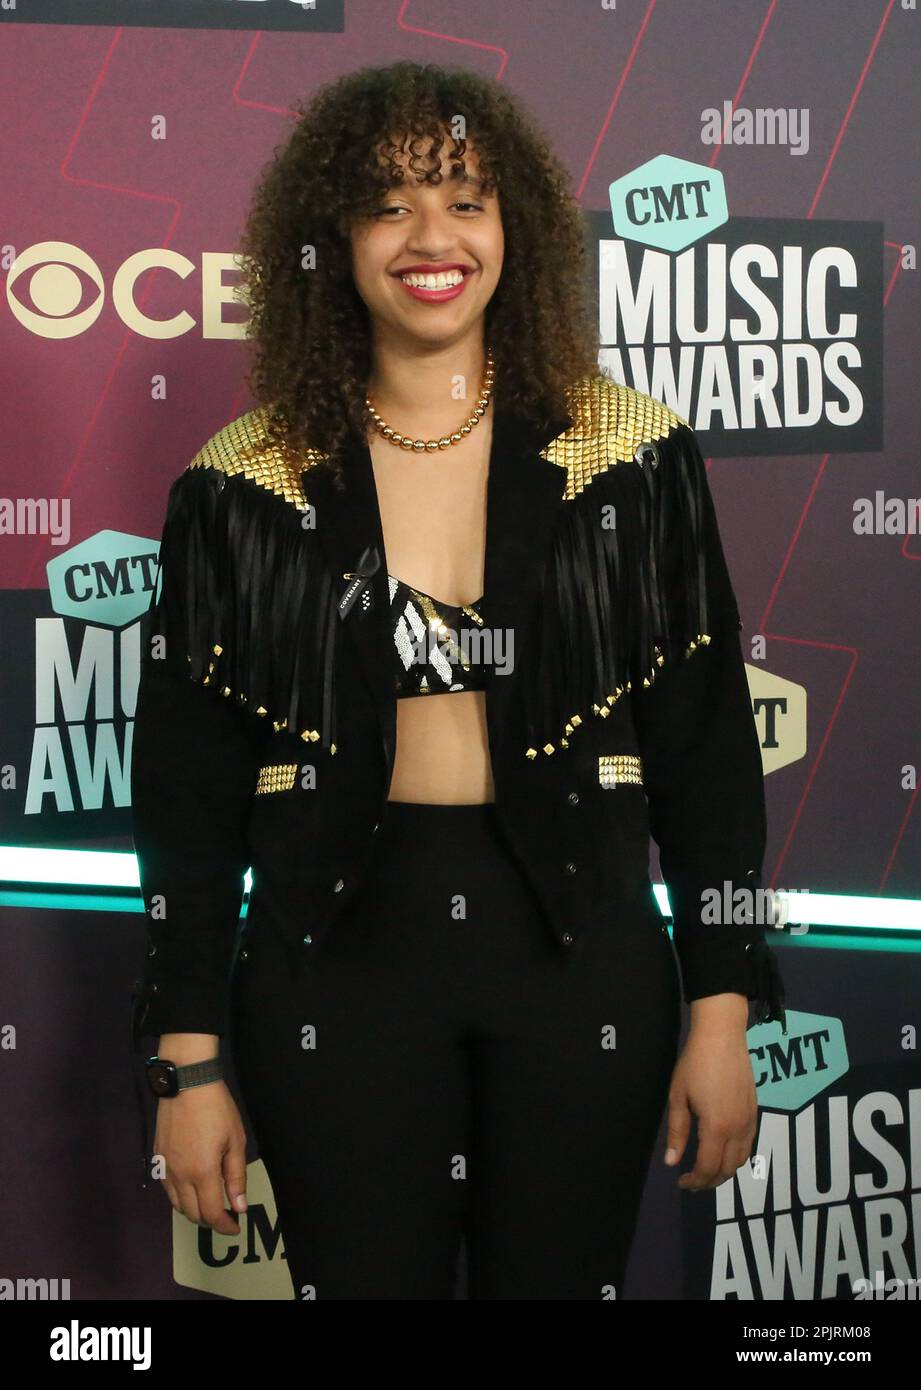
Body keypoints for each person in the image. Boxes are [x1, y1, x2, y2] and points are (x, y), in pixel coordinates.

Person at [129, 60, 786, 1301]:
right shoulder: (240, 483)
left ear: (515, 227)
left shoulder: (630, 455)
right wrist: (188, 1064)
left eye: (466, 198)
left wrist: (722, 1013)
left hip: (582, 959)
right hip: (333, 964)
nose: (433, 238)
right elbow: (186, 805)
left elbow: (707, 757)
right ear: (330, 240)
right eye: (389, 204)